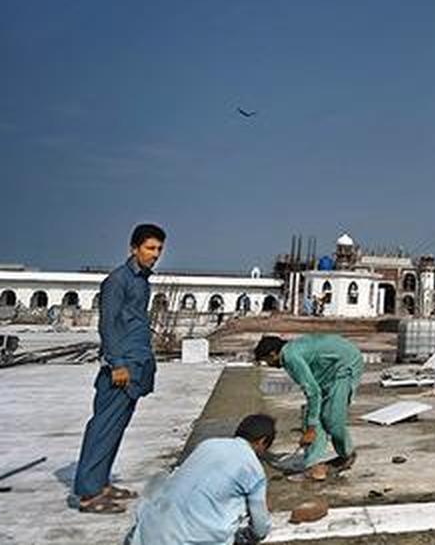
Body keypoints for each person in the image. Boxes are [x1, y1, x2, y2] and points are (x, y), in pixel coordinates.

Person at [74, 223, 166, 514]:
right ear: (134, 248)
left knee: (116, 428)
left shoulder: (142, 281)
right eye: (150, 248)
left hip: (137, 363)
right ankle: (88, 494)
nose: (155, 254)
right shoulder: (118, 280)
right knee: (103, 427)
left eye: (159, 249)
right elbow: (108, 325)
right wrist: (116, 363)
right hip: (121, 366)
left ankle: (100, 483)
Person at [126, 415, 275, 545]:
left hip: (149, 533)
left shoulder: (207, 445)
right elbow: (260, 527)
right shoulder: (253, 468)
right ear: (262, 441)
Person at [253, 334, 363, 481]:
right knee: (313, 416)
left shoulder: (290, 357)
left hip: (345, 364)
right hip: (328, 370)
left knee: (331, 417)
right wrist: (310, 424)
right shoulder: (289, 352)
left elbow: (313, 392)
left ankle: (347, 454)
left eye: (266, 361)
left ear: (273, 354)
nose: (268, 365)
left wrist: (310, 430)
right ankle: (313, 464)